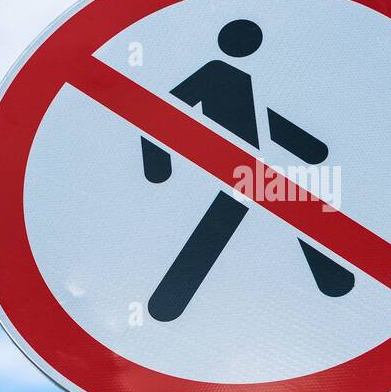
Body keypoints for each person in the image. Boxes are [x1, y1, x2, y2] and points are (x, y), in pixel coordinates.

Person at [142, 19, 354, 322]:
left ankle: (333, 276)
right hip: (226, 169)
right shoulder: (212, 74)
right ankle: (168, 299)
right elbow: (163, 116)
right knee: (223, 228)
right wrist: (157, 165)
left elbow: (265, 120)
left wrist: (309, 148)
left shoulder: (246, 80)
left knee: (272, 221)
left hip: (255, 170)